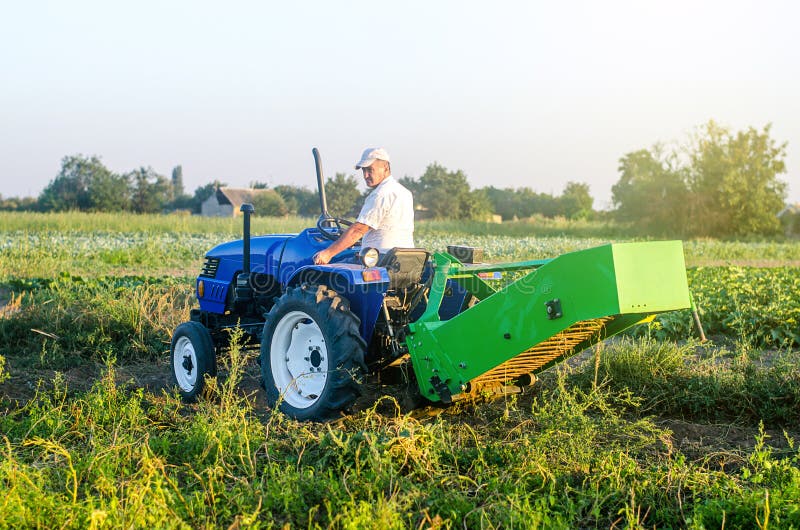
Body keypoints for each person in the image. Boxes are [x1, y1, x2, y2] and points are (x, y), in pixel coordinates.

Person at [313, 147, 414, 265]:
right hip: (406, 259)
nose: (365, 175)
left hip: (382, 259)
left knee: (325, 272)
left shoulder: (381, 194)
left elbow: (358, 230)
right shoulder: (404, 192)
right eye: (363, 170)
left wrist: (328, 253)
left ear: (386, 167)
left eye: (370, 170)